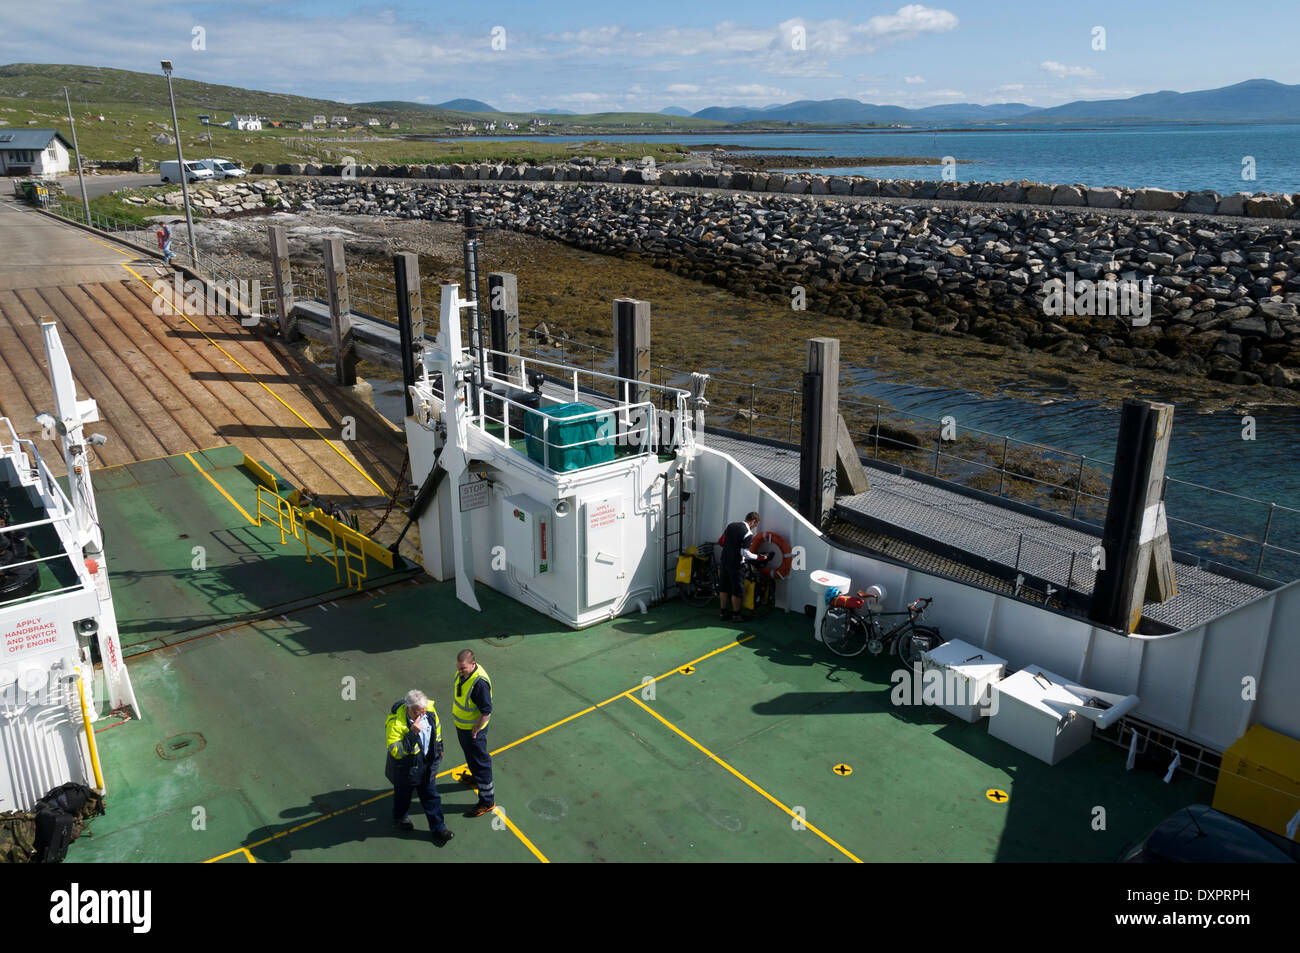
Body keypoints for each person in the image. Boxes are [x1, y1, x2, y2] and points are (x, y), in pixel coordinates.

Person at [385, 689, 454, 846]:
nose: (421, 716)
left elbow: (436, 728)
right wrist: (412, 734)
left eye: (423, 712)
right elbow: (396, 752)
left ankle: (439, 829)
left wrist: (439, 747)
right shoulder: (395, 723)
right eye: (417, 713)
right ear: (408, 708)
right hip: (406, 769)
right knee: (403, 795)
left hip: (426, 764)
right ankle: (400, 816)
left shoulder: (427, 709)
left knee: (431, 796)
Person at [452, 650, 495, 818]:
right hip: (462, 726)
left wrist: (476, 729)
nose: (459, 671)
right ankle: (477, 778)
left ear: (473, 664)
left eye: (462, 668)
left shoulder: (479, 683)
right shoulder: (463, 674)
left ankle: (487, 801)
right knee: (471, 757)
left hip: (473, 730)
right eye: (457, 667)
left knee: (481, 762)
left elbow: (486, 711)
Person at [718, 511, 763, 621]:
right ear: (753, 521)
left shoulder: (731, 525)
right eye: (755, 525)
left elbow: (721, 541)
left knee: (723, 588)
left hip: (724, 561)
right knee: (736, 591)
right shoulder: (748, 533)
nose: (754, 527)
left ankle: (723, 613)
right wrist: (759, 557)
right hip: (736, 565)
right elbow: (745, 553)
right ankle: (736, 615)